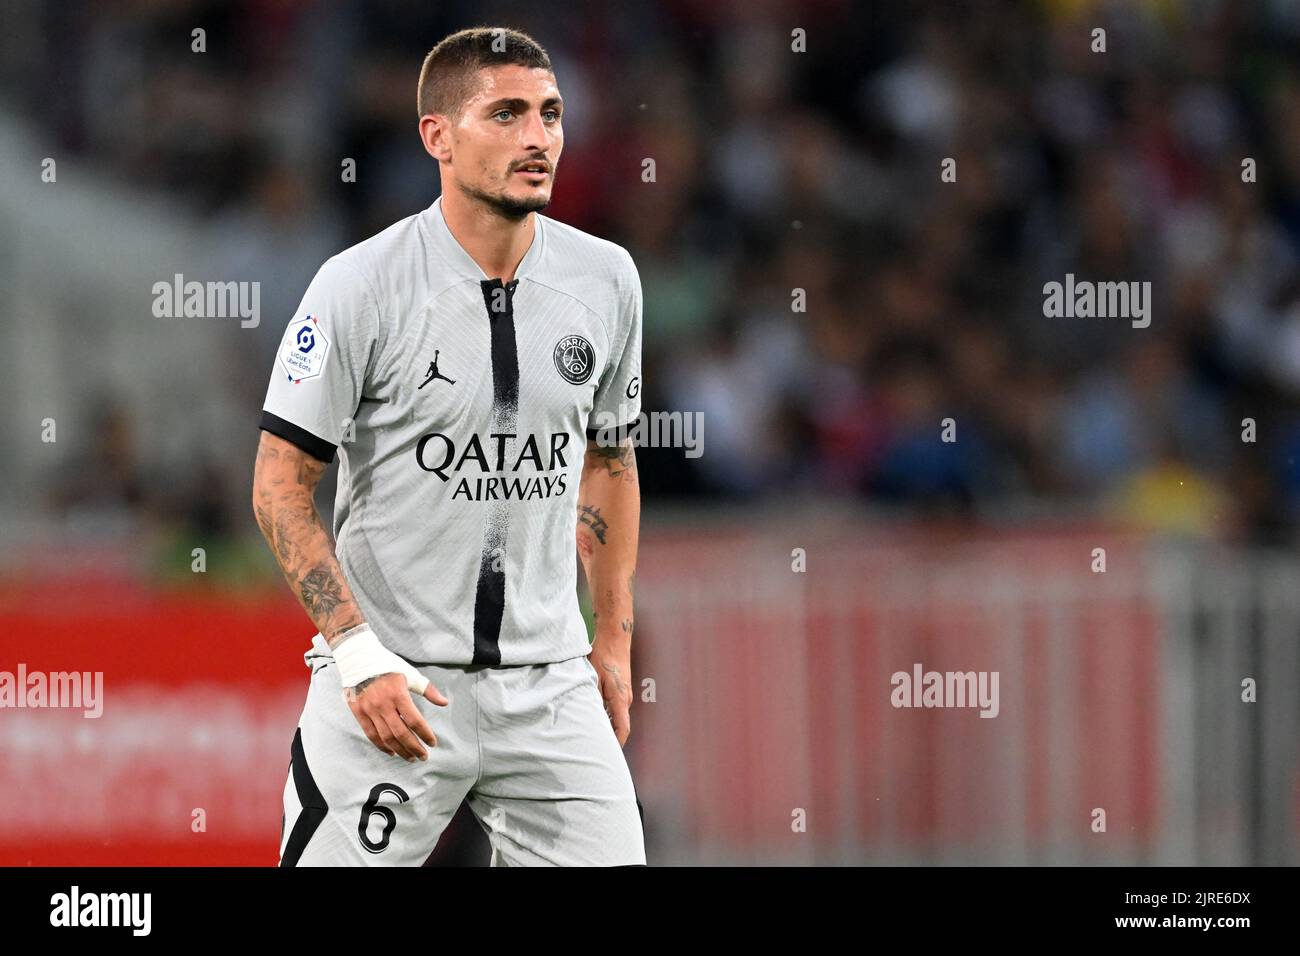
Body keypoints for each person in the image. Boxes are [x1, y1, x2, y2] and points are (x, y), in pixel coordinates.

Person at [251, 26, 644, 866]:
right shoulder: (361, 285)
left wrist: (612, 638)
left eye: (551, 114)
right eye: (506, 114)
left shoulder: (607, 280)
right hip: (396, 684)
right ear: (438, 136)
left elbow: (609, 464)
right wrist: (357, 653)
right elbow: (280, 483)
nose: (538, 138)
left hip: (550, 686)